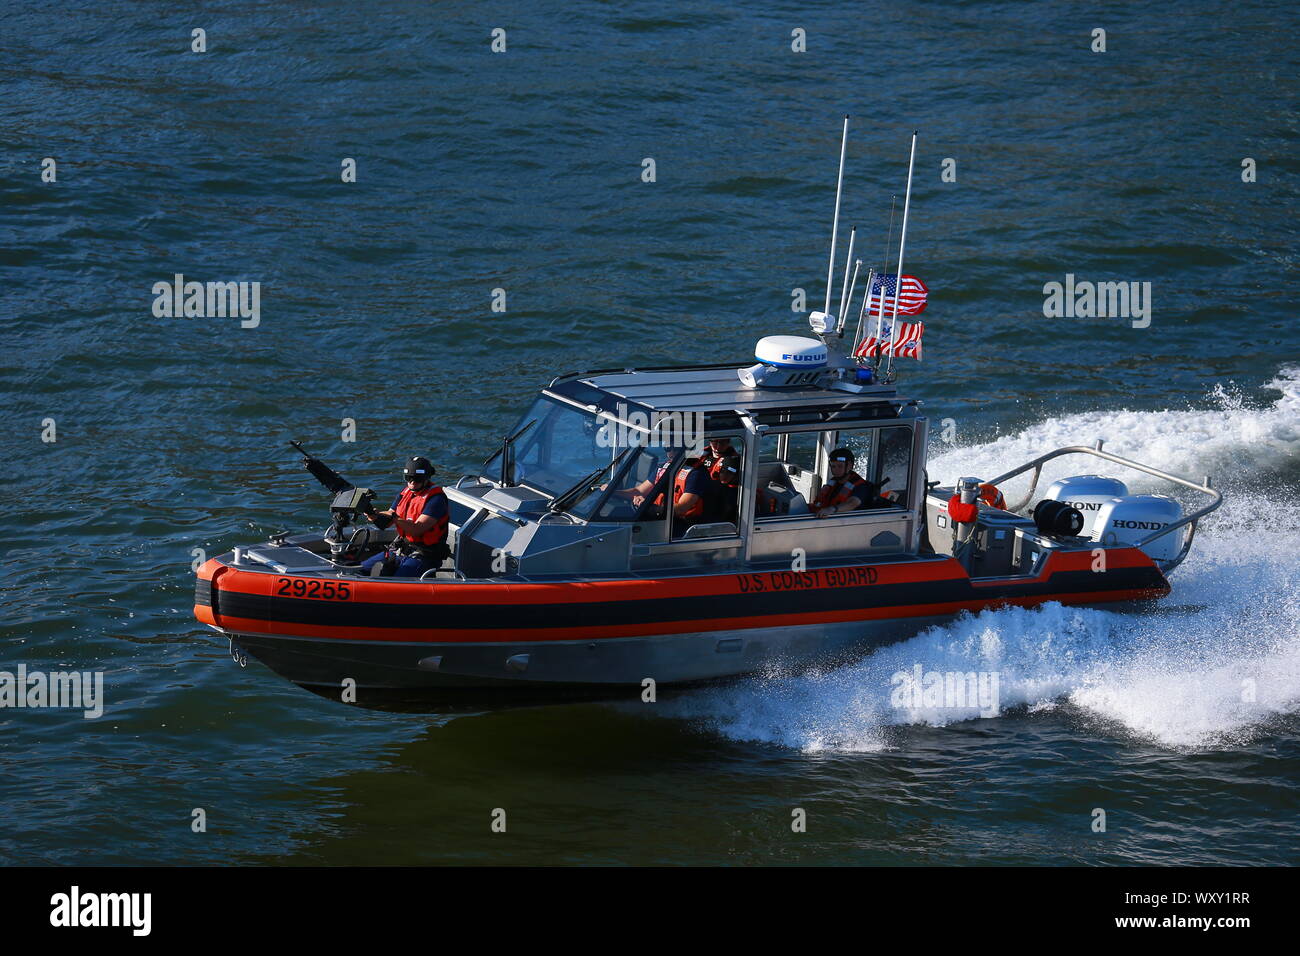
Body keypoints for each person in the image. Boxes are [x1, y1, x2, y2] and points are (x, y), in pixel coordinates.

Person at [362, 456, 449, 577]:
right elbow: (389, 518)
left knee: (397, 582)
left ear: (426, 478)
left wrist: (393, 517)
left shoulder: (436, 499)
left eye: (417, 479)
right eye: (409, 478)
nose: (412, 482)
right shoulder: (405, 493)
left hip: (424, 555)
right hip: (401, 548)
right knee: (362, 569)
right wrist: (375, 515)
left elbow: (417, 529)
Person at [813, 448, 871, 518]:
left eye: (840, 466)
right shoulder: (833, 483)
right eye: (833, 466)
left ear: (849, 466)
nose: (836, 470)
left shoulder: (861, 486)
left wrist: (832, 509)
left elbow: (853, 503)